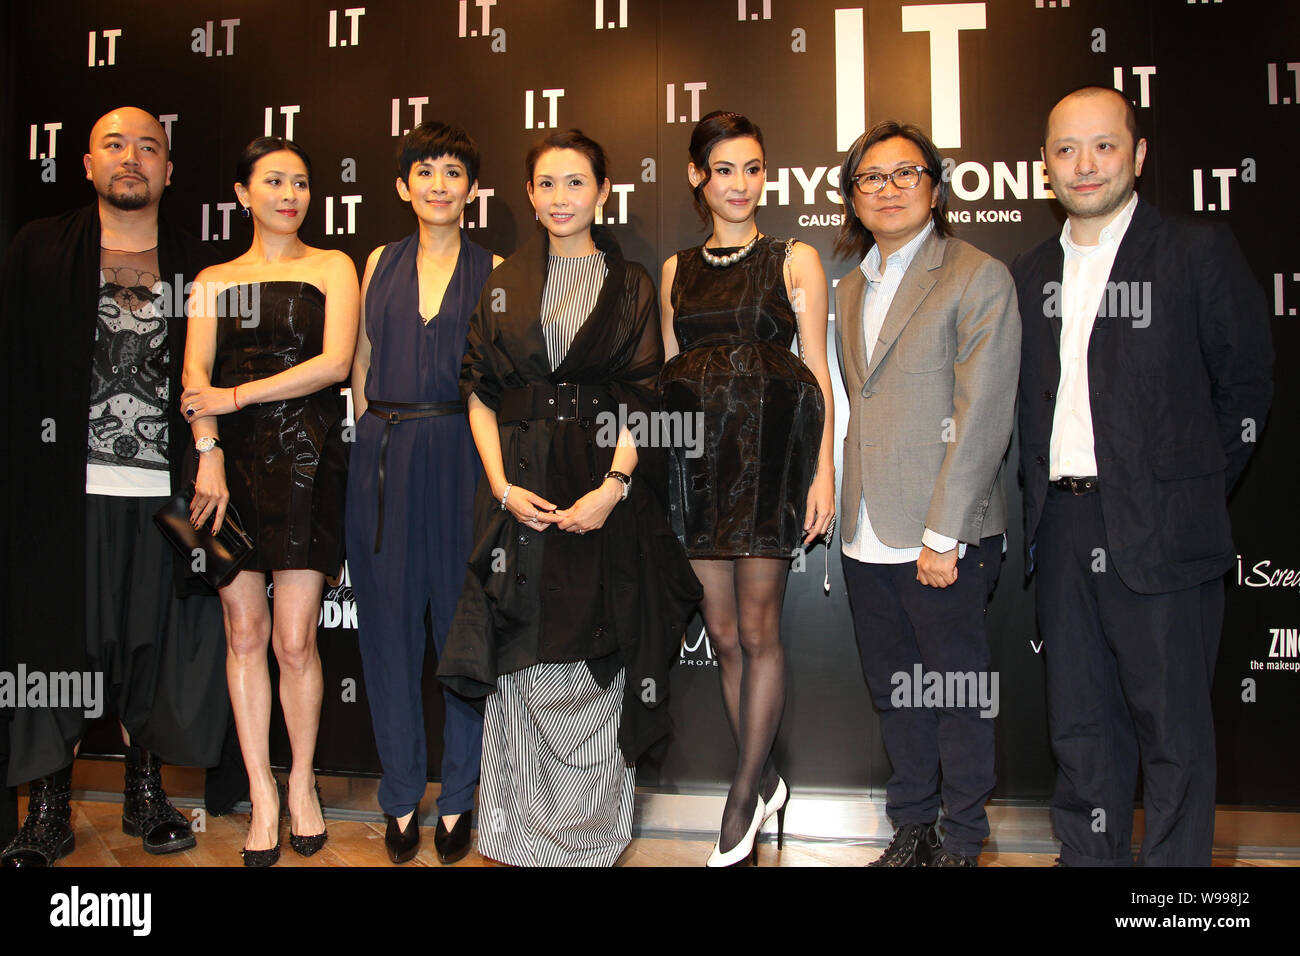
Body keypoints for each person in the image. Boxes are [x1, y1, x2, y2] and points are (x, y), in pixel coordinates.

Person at [1014, 86, 1272, 866]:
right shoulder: (1027, 275)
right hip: (1061, 530)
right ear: (1045, 167)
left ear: (1139, 154)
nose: (1084, 164)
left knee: (1174, 738)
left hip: (1165, 532)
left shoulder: (1195, 252)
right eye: (1065, 149)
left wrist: (1183, 490)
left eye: (1103, 145)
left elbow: (1247, 388)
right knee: (1081, 732)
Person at [438, 129, 701, 867]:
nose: (561, 198)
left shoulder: (634, 285)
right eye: (547, 184)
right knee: (521, 658)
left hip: (600, 492)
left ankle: (587, 845)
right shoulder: (502, 282)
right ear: (528, 193)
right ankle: (518, 841)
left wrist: (613, 489)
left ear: (602, 191)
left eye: (576, 182)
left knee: (597, 656)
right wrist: (500, 485)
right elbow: (479, 394)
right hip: (521, 491)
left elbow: (646, 395)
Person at [1, 107, 228, 867]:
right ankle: (47, 808)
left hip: (162, 494)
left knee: (153, 647)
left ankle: (145, 792)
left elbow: (213, 380)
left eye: (149, 148)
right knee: (52, 643)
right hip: (60, 494)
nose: (131, 158)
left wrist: (208, 454)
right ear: (88, 166)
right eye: (114, 146)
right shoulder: (38, 251)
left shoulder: (198, 266)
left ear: (168, 170)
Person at [834, 121, 1020, 867]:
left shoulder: (977, 275)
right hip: (865, 530)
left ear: (935, 189)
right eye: (870, 178)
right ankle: (911, 829)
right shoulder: (851, 286)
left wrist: (945, 534)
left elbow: (984, 414)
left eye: (904, 173)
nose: (887, 188)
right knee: (896, 693)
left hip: (943, 534)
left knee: (956, 694)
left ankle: (964, 841)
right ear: (852, 197)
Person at [659, 111, 836, 866]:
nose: (740, 183)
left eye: (753, 167)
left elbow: (819, 372)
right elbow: (671, 379)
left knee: (758, 632)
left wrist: (824, 468)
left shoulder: (795, 259)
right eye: (724, 168)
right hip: (695, 469)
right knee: (724, 634)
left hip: (768, 467)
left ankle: (741, 799)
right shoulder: (675, 270)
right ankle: (762, 779)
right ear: (699, 176)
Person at [181, 136, 359, 866]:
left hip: (310, 460)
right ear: (242, 193)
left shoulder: (333, 266)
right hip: (231, 467)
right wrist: (208, 450)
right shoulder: (213, 278)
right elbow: (194, 377)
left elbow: (336, 364)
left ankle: (303, 785)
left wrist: (235, 394)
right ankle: (260, 792)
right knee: (243, 636)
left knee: (294, 641)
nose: (289, 194)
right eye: (273, 181)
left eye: (301, 182)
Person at [345, 122, 501, 865]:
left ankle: (461, 797)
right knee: (387, 634)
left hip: (464, 458)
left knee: (462, 638)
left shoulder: (495, 268)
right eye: (425, 170)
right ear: (403, 185)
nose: (439, 183)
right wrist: (373, 438)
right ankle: (402, 794)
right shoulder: (378, 260)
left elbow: (498, 386)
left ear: (471, 188)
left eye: (453, 171)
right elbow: (361, 366)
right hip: (385, 458)